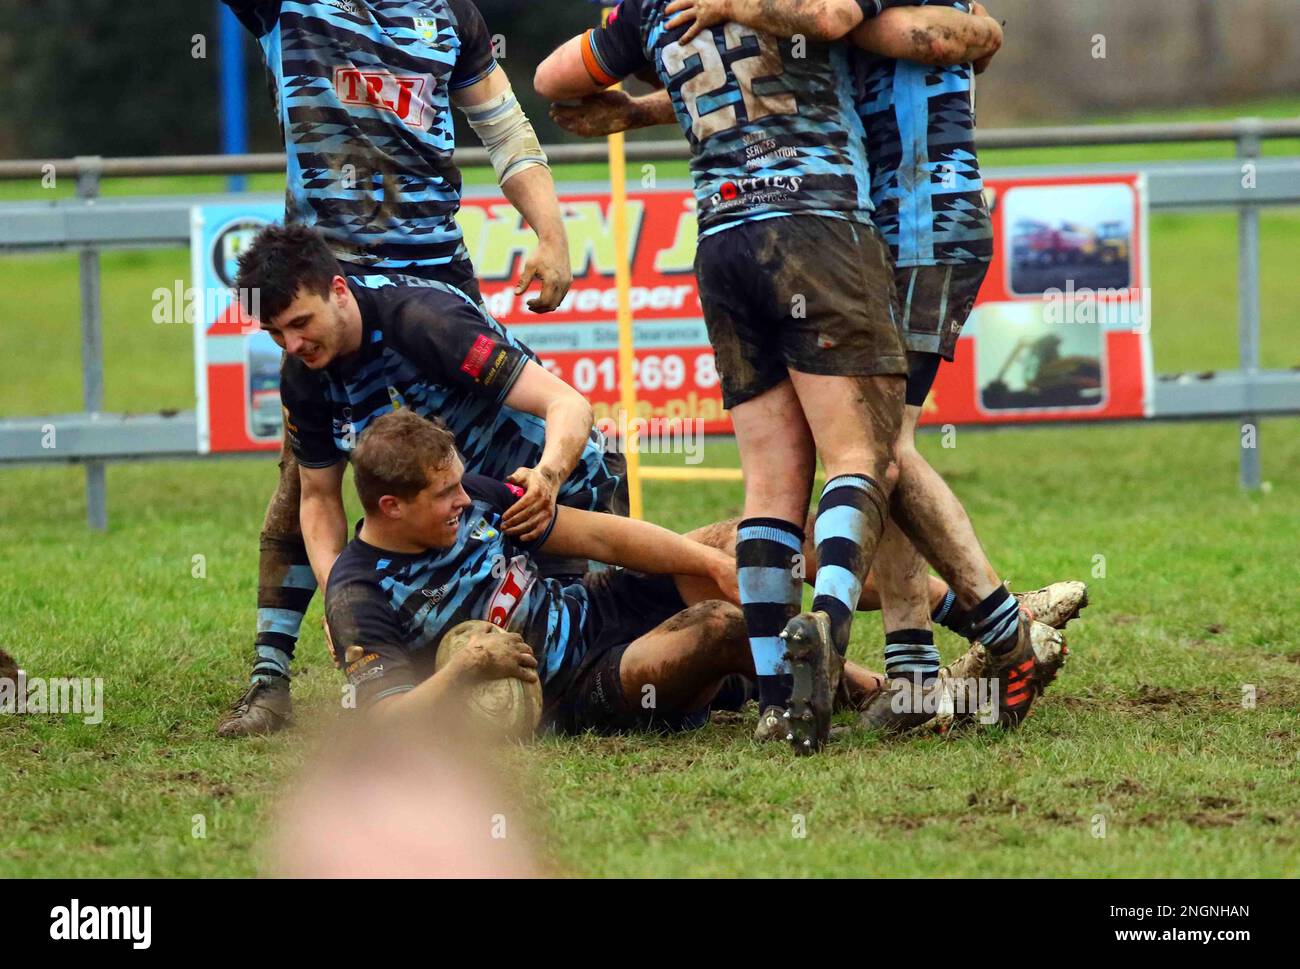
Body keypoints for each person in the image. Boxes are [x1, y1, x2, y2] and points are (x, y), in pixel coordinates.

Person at [534, 0, 1062, 751]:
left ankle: (985, 640)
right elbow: (811, 40)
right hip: (847, 219)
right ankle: (942, 654)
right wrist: (667, 97)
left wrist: (725, 20)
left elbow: (897, 29)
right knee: (869, 454)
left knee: (875, 452)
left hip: (918, 217)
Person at [216, 0, 583, 735]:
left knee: (500, 462)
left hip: (438, 289)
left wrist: (551, 232)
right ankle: (270, 677)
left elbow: (505, 128)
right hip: (333, 285)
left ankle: (570, 645)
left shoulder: (449, 13)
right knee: (307, 472)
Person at [325, 410, 997, 735]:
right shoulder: (358, 591)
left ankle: (989, 619)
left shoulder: (470, 492)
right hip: (576, 687)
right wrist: (461, 671)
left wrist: (711, 560)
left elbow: (599, 535)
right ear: (392, 506)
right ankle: (903, 695)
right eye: (444, 495)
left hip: (594, 606)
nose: (464, 499)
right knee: (727, 623)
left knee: (753, 548)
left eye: (457, 485)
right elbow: (378, 723)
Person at [217, 224, 624, 737]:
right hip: (457, 521)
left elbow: (567, 403)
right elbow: (319, 499)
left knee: (576, 670)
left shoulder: (425, 323)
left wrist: (547, 477)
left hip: (560, 491)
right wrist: (341, 596)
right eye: (276, 334)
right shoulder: (304, 376)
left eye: (300, 323)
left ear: (339, 291)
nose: (293, 344)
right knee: (450, 686)